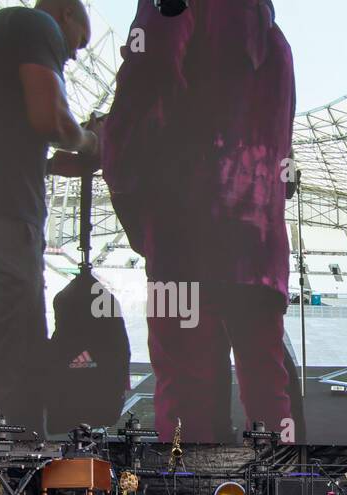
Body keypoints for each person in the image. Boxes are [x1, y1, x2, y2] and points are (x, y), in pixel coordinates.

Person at [101, 0, 298, 443]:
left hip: (181, 245)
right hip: (260, 253)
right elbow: (278, 154)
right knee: (268, 390)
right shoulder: (278, 45)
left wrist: (138, 213)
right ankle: (274, 493)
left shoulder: (173, 8)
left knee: (185, 392)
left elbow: (138, 99)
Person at [0, 0, 98, 438]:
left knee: (18, 354)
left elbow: (3, 138)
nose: (73, 55)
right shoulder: (34, 24)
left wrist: (53, 161)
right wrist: (88, 141)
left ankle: (17, 476)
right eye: (78, 42)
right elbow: (50, 119)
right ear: (65, 12)